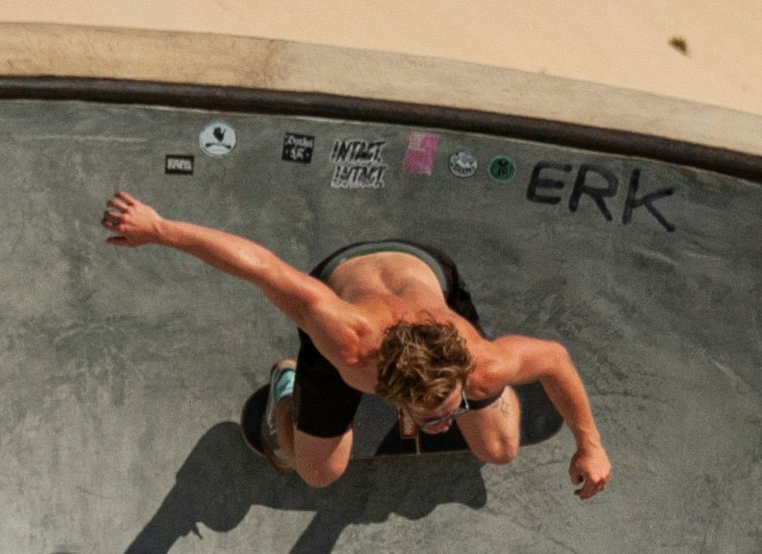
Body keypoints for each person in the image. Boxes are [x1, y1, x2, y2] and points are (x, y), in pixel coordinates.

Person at [99, 193, 612, 499]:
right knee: (316, 474)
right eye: (431, 419)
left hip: (423, 270)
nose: (440, 426)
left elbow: (555, 359)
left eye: (447, 411)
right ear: (391, 392)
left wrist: (590, 442)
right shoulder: (344, 339)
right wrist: (160, 229)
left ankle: (496, 408)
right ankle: (288, 388)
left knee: (500, 450)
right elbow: (261, 265)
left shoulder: (481, 363)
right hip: (349, 279)